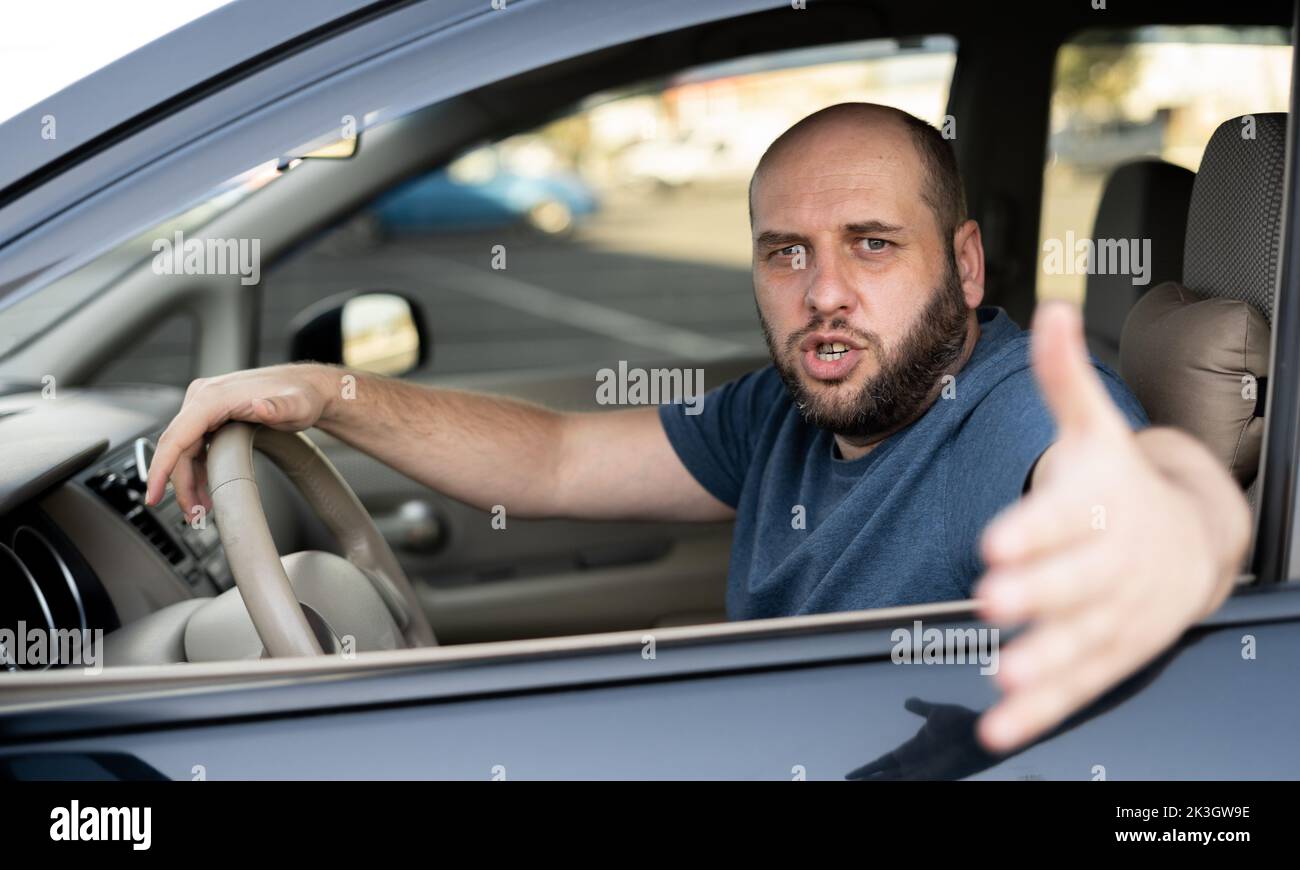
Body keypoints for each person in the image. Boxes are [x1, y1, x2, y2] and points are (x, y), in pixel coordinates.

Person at [146, 103, 1250, 753]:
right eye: (786, 252)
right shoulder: (787, 407)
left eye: (871, 245)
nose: (822, 294)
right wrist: (326, 393)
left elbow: (1135, 500)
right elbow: (556, 457)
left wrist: (1186, 521)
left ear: (961, 263)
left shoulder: (1032, 410)